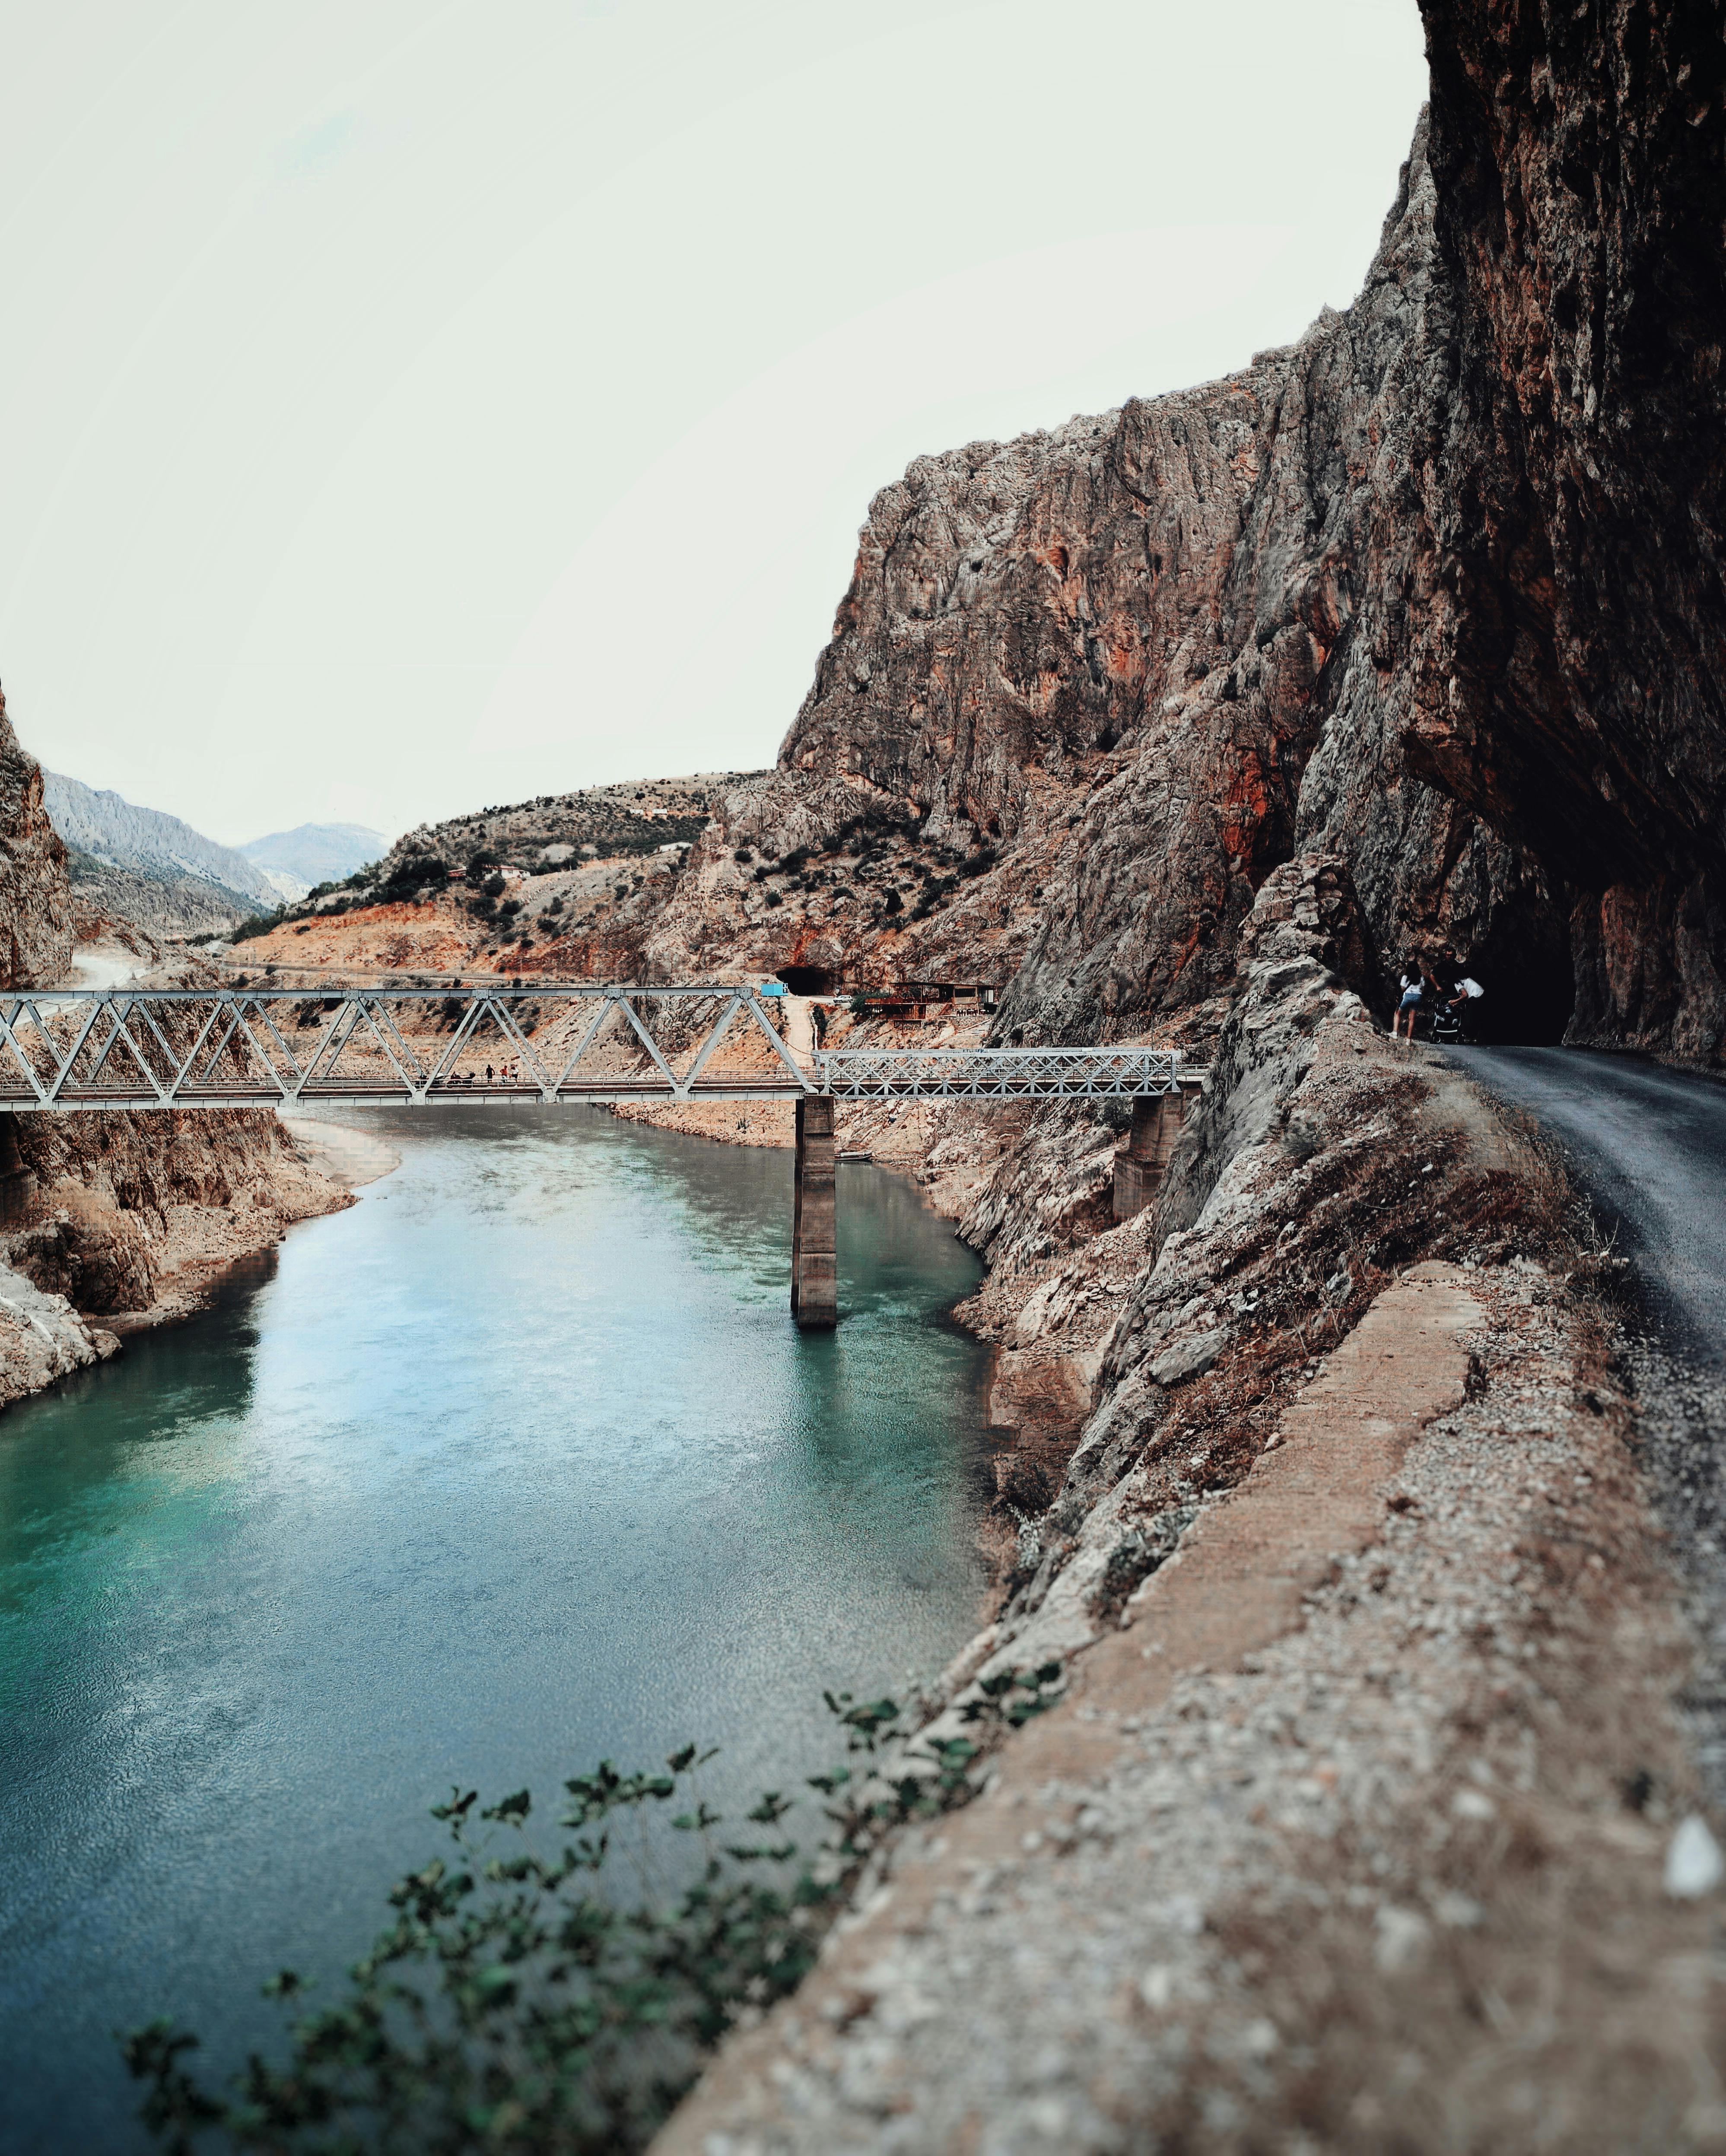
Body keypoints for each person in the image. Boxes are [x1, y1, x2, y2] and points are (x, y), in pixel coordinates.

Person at [1394, 958, 1425, 1043]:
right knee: (1412, 1018)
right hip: (1418, 997)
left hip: (1408, 996)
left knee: (1398, 1014)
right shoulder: (1421, 977)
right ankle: (1409, 1039)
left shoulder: (1405, 977)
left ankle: (1395, 1033)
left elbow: (1403, 988)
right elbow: (1423, 988)